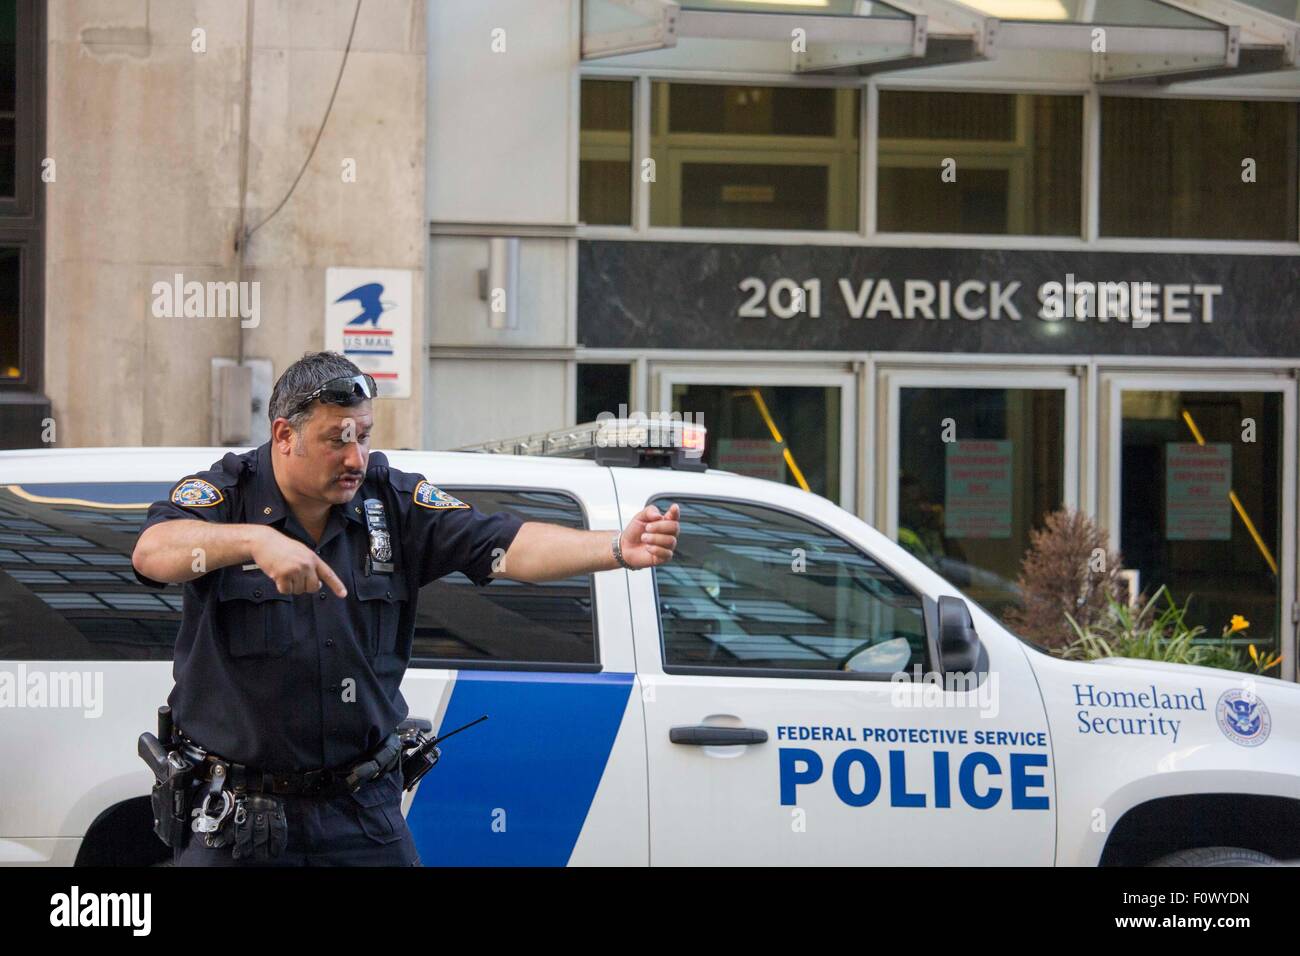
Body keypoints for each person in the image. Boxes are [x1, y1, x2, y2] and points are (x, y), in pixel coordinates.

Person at [131, 351, 681, 866]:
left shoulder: (392, 500)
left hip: (361, 812)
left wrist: (614, 548)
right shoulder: (225, 492)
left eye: (364, 437)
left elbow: (507, 546)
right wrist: (254, 542)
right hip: (239, 819)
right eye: (337, 440)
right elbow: (153, 552)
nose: (355, 458)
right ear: (284, 435)